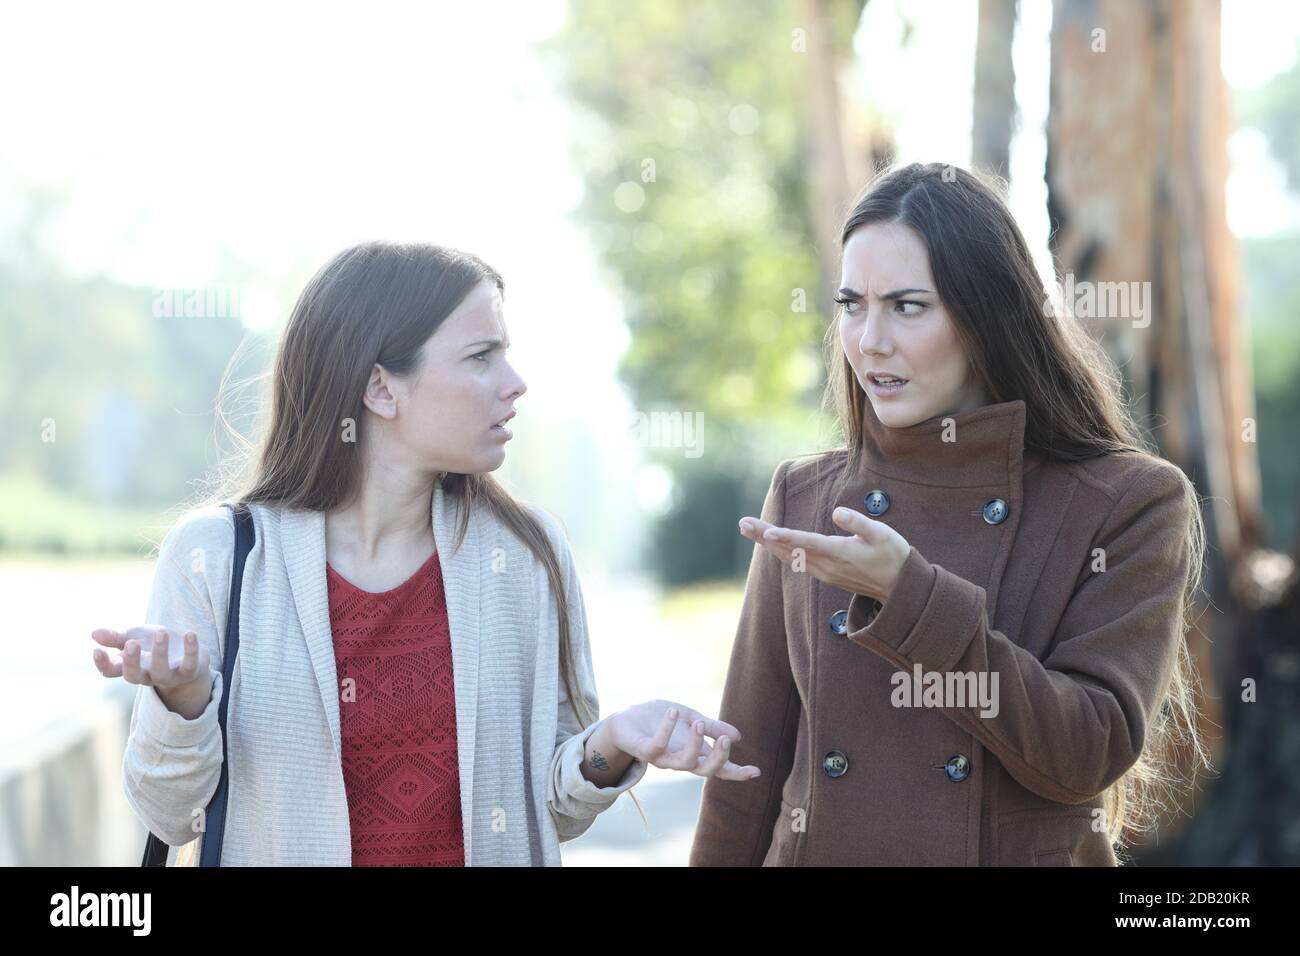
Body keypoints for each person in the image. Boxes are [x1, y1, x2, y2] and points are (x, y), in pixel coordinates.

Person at [92, 240, 759, 866]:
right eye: (481, 356)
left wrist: (611, 744)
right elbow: (169, 815)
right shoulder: (219, 556)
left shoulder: (527, 555)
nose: (516, 381)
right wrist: (184, 701)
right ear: (381, 389)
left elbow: (554, 809)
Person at [689, 162, 1210, 866]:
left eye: (907, 306)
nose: (870, 340)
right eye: (852, 303)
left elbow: (1087, 752)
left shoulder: (1127, 501)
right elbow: (742, 778)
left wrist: (912, 598)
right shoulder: (806, 496)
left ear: (987, 314)